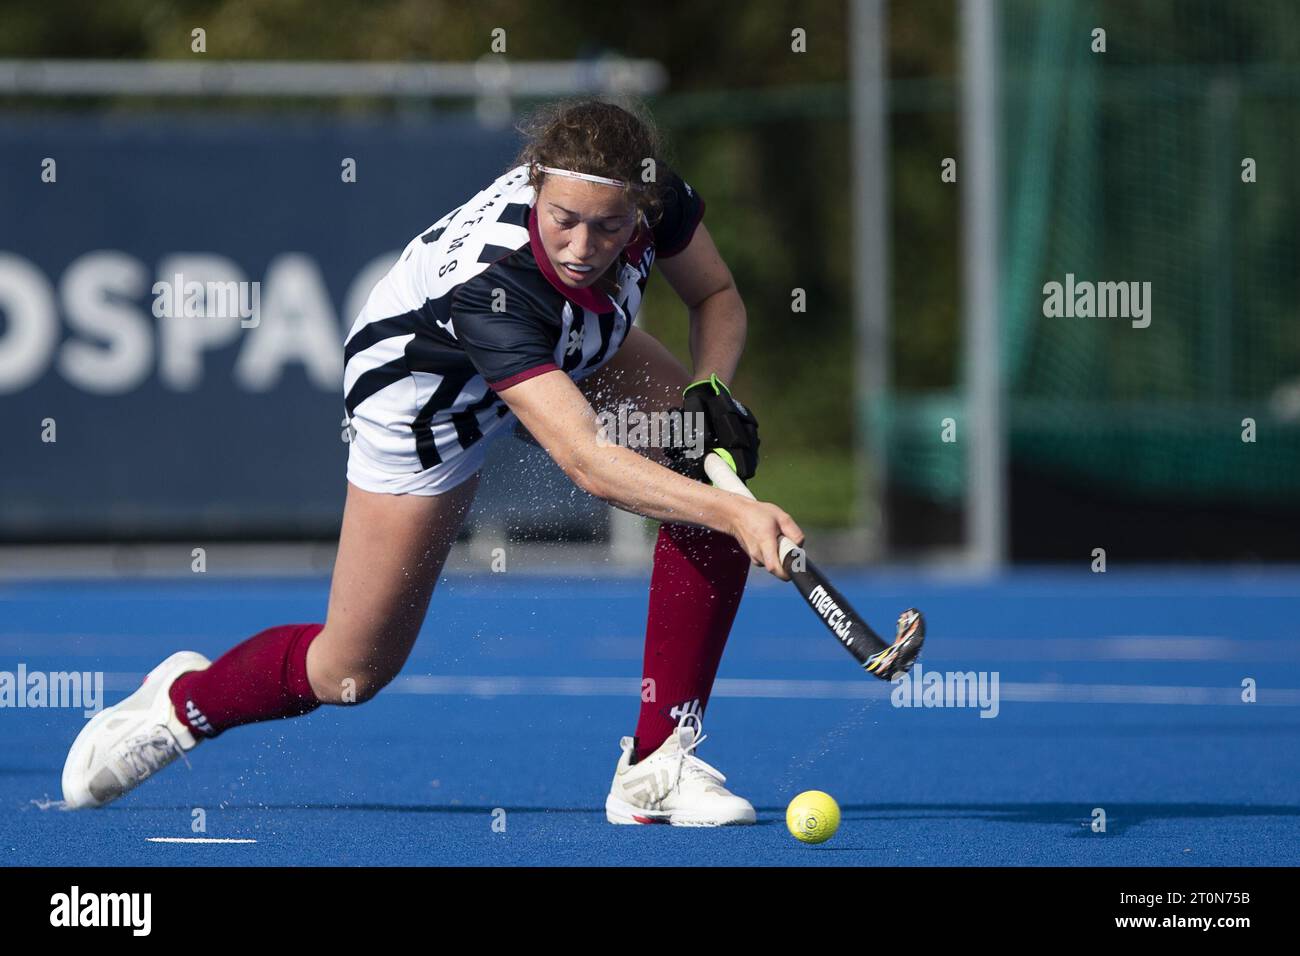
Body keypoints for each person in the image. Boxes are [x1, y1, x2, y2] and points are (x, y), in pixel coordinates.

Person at [61, 97, 804, 827]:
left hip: (570, 352)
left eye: (608, 227)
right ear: (536, 188)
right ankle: (185, 703)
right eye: (563, 220)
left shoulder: (652, 194)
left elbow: (716, 293)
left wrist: (710, 395)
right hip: (426, 402)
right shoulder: (493, 284)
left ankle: (654, 766)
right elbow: (586, 460)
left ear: (639, 207)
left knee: (702, 468)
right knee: (349, 673)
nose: (582, 247)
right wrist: (736, 511)